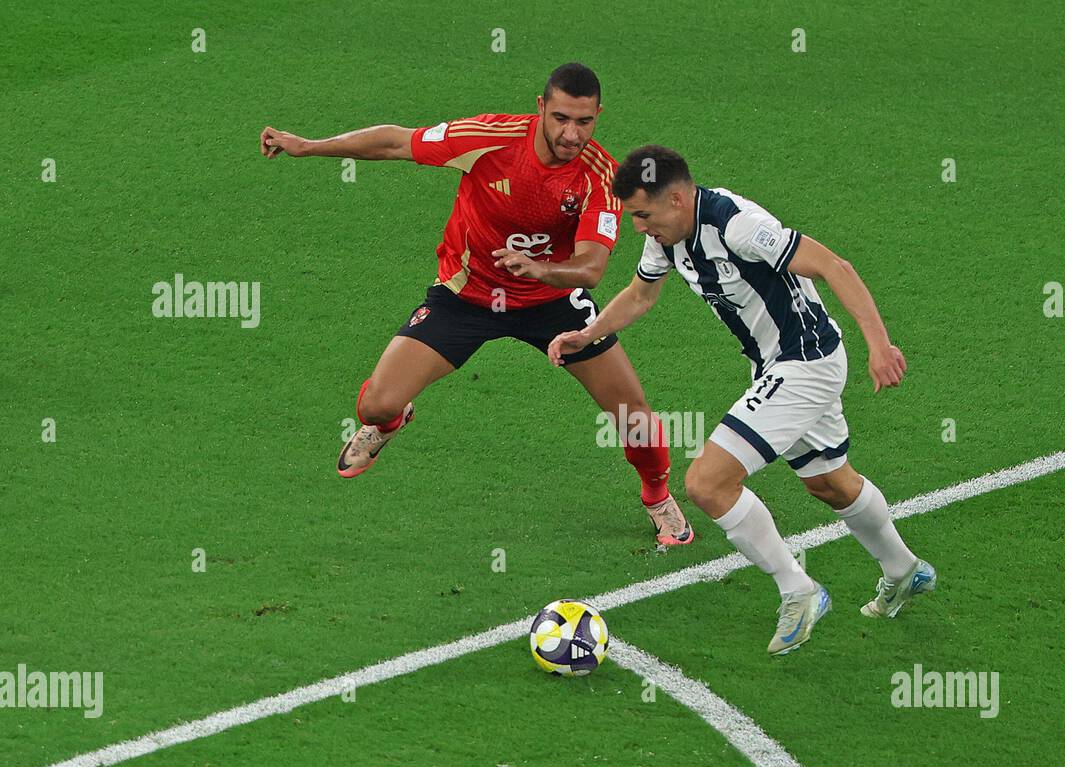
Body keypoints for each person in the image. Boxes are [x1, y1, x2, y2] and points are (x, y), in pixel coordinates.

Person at [258, 64, 693, 546]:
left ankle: (657, 495)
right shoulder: (489, 137)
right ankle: (390, 421)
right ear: (541, 106)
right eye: (562, 118)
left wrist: (539, 269)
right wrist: (309, 145)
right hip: (466, 296)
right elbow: (397, 142)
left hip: (554, 304)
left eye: (585, 122)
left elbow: (590, 268)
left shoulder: (599, 175)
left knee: (633, 414)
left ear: (598, 116)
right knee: (375, 403)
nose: (572, 134)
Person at [548, 145, 935, 654]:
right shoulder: (667, 240)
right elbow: (640, 295)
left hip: (806, 364)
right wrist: (589, 333)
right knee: (829, 484)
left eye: (643, 215)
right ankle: (904, 569)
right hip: (777, 366)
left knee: (707, 484)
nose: (638, 227)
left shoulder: (738, 226)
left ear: (679, 199)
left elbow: (834, 266)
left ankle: (799, 590)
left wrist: (880, 345)